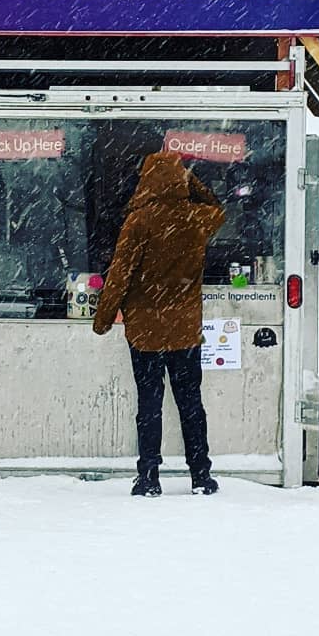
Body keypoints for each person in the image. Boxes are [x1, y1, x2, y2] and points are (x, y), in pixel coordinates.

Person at [92, 152, 225, 497]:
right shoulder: (196, 217)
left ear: (146, 181)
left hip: (146, 331)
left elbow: (119, 275)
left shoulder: (139, 221)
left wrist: (103, 318)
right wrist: (189, 182)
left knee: (149, 406)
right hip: (184, 330)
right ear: (180, 181)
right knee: (191, 403)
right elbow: (218, 208)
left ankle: (149, 476)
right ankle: (201, 475)